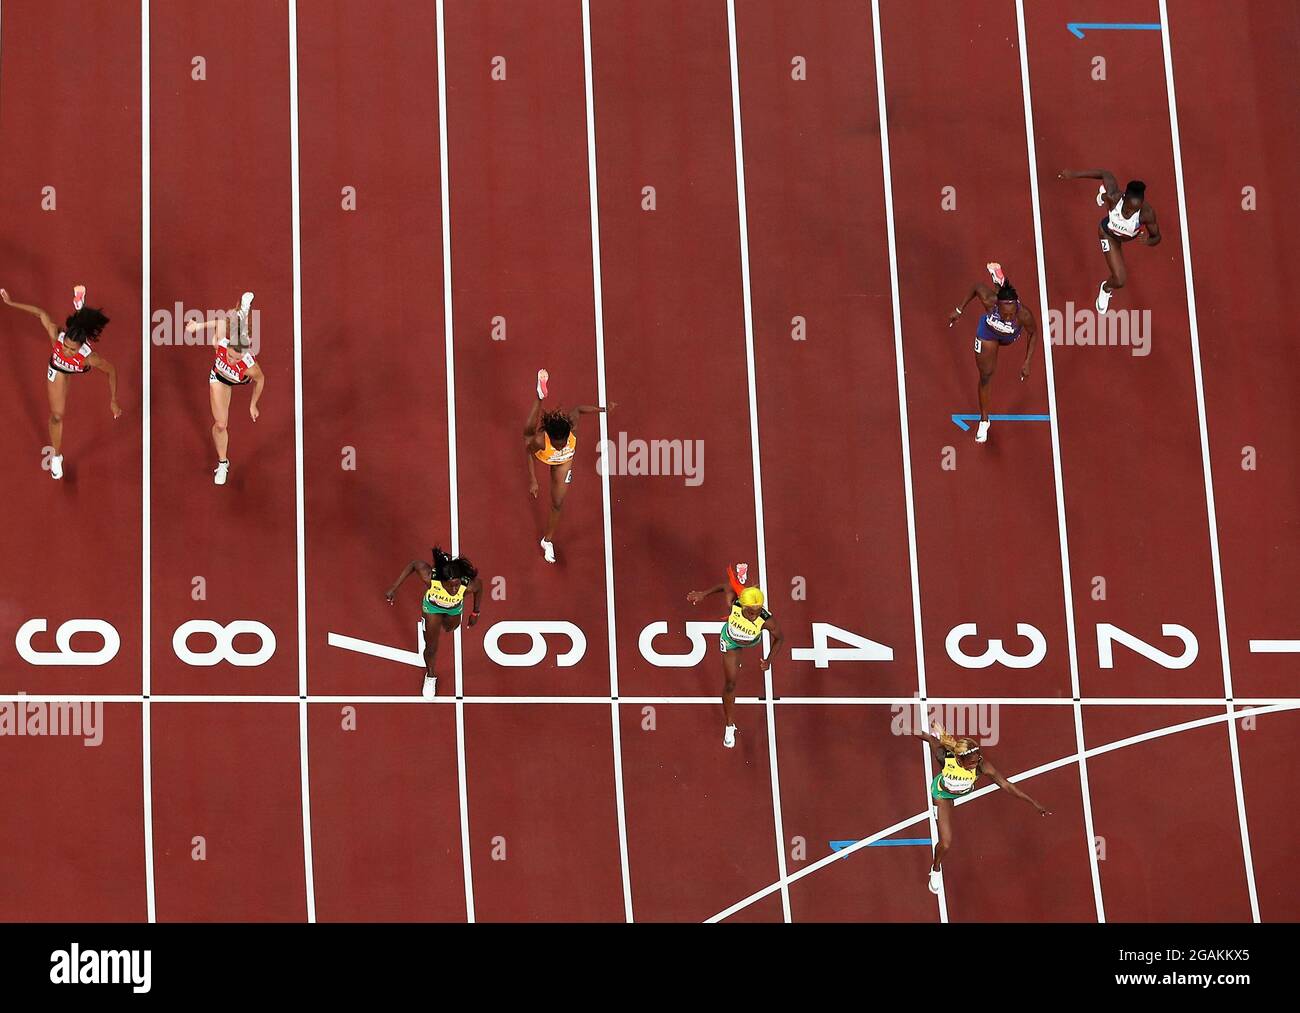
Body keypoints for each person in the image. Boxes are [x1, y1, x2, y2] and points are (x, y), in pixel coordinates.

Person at [917, 721, 1051, 895]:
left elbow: (1006, 785)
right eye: (972, 762)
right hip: (942, 795)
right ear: (960, 760)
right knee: (947, 843)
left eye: (977, 758)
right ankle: (935, 869)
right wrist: (905, 729)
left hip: (960, 792)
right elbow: (928, 739)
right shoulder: (945, 758)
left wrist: (1033, 802)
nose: (977, 762)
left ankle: (942, 735)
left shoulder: (982, 766)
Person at [1, 284, 120, 480]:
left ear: (82, 347)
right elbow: (40, 314)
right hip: (57, 370)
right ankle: (57, 457)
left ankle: (79, 306)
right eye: (66, 346)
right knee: (56, 416)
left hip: (76, 367)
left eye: (72, 349)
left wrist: (113, 399)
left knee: (82, 329)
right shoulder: (57, 338)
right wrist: (11, 302)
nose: (66, 351)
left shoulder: (89, 358)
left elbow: (111, 370)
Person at [687, 566, 783, 749]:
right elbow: (724, 586)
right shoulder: (735, 604)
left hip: (751, 641)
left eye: (757, 611)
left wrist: (769, 659)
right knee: (730, 684)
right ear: (744, 606)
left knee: (740, 588)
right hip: (731, 642)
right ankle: (730, 726)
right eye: (751, 612)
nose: (754, 616)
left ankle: (742, 580)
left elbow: (780, 638)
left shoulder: (766, 620)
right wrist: (703, 594)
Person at [524, 368, 613, 563]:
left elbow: (579, 409)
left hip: (562, 464)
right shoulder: (542, 440)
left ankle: (547, 541)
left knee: (557, 504)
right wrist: (533, 480)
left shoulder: (572, 428)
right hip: (542, 455)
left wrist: (603, 409)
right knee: (527, 435)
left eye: (563, 442)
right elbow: (529, 453)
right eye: (558, 444)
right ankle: (539, 398)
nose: (561, 445)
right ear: (550, 437)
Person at [947, 263, 1038, 444]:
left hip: (1009, 337)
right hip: (988, 333)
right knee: (986, 376)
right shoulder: (990, 301)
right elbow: (976, 287)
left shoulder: (1023, 315)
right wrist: (959, 310)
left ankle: (1000, 281)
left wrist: (1027, 362)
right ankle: (984, 420)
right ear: (997, 306)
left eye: (1011, 315)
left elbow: (1034, 333)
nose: (1008, 318)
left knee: (1007, 297)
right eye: (1005, 314)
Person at [184, 292, 265, 485]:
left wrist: (253, 404)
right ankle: (223, 463)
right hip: (220, 379)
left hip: (239, 380)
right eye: (231, 356)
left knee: (242, 331)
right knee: (220, 425)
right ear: (227, 347)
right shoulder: (220, 344)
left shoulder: (249, 366)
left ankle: (243, 312)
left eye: (237, 359)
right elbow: (220, 321)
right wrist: (197, 326)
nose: (233, 360)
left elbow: (261, 381)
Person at [1058, 169, 1161, 312]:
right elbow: (1105, 173)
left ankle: (1101, 197)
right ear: (1124, 198)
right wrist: (1074, 174)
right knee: (1120, 280)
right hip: (1108, 235)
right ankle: (1105, 289)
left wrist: (1148, 241)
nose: (1130, 213)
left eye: (1135, 210)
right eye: (1128, 209)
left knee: (1106, 199)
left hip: (1123, 238)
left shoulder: (1146, 214)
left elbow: (1157, 237)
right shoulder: (1115, 197)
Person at [385, 546, 483, 698]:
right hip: (432, 608)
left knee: (450, 628)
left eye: (457, 584)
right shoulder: (431, 578)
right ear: (443, 581)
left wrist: (475, 612)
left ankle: (447, 619)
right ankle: (430, 676)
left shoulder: (467, 585)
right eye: (451, 585)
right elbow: (414, 564)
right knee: (431, 647)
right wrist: (394, 587)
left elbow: (479, 588)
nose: (456, 589)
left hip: (453, 609)